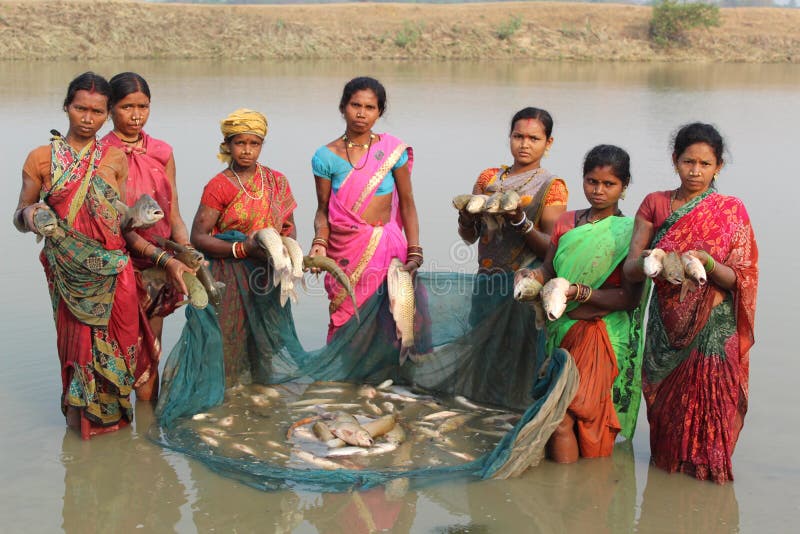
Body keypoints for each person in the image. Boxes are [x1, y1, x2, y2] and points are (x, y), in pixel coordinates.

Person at [13, 72, 185, 439]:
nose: (87, 118)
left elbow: (120, 224)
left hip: (115, 274)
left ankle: (119, 453)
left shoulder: (114, 158)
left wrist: (162, 250)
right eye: (80, 109)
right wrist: (32, 216)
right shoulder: (41, 159)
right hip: (69, 276)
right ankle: (82, 448)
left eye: (96, 112)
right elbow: (19, 214)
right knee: (77, 360)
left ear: (106, 115)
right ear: (66, 107)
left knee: (121, 361)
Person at [622, 122, 758, 483]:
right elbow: (630, 268)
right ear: (674, 160)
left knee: (712, 417)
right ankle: (665, 495)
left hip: (715, 329)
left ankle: (709, 495)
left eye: (705, 164)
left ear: (718, 168)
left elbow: (741, 277)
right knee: (667, 425)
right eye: (688, 162)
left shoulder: (731, 211)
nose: (695, 171)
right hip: (667, 327)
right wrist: (654, 263)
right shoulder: (655, 203)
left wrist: (709, 264)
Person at [517, 145, 643, 463]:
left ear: (624, 186)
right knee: (560, 418)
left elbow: (629, 298)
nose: (598, 191)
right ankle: (570, 492)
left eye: (609, 184)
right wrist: (532, 275)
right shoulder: (567, 222)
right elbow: (550, 269)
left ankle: (583, 491)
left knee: (578, 416)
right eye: (591, 182)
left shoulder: (629, 232)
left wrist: (578, 292)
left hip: (602, 332)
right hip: (562, 328)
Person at [102, 72, 195, 401]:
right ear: (110, 108)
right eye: (127, 107)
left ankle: (146, 437)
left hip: (159, 269)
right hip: (119, 267)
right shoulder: (101, 153)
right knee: (118, 352)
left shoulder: (161, 151)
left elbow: (173, 214)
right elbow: (114, 223)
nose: (136, 115)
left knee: (151, 352)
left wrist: (186, 252)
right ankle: (117, 423)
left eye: (143, 106)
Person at [190, 108, 297, 386]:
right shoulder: (219, 186)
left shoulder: (277, 181)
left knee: (265, 344)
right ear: (228, 145)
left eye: (254, 143)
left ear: (262, 145)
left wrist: (286, 254)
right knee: (230, 343)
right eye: (240, 143)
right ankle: (229, 396)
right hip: (229, 276)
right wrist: (242, 249)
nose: (247, 151)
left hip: (267, 276)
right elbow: (198, 237)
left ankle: (258, 398)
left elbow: (288, 227)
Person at [309, 76, 420, 340]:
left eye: (370, 108)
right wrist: (319, 242)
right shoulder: (325, 156)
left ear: (379, 112)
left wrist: (415, 249)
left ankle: (388, 376)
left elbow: (407, 203)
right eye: (355, 105)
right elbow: (322, 210)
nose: (361, 113)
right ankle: (346, 378)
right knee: (347, 320)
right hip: (345, 251)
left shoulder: (392, 150)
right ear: (342, 107)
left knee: (393, 321)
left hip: (388, 247)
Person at [457, 106, 568, 277]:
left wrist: (520, 221)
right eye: (518, 137)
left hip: (526, 285)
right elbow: (469, 238)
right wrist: (465, 218)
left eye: (534, 139)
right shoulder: (488, 178)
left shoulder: (552, 186)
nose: (524, 145)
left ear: (548, 142)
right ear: (510, 137)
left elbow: (551, 250)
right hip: (486, 279)